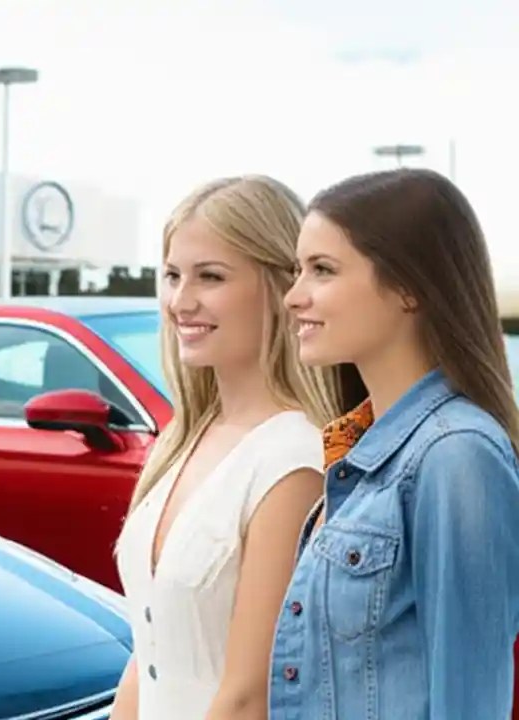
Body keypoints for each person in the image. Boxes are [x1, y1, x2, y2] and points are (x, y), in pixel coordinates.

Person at [271, 167, 519, 719]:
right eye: (297, 270)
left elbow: (470, 702)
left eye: (322, 270)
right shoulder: (357, 448)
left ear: (409, 288)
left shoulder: (457, 455)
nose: (293, 297)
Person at [110, 175, 348, 720]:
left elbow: (249, 697)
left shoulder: (296, 462)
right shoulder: (183, 438)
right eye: (173, 276)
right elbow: (149, 654)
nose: (181, 301)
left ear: (282, 286)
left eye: (210, 276)